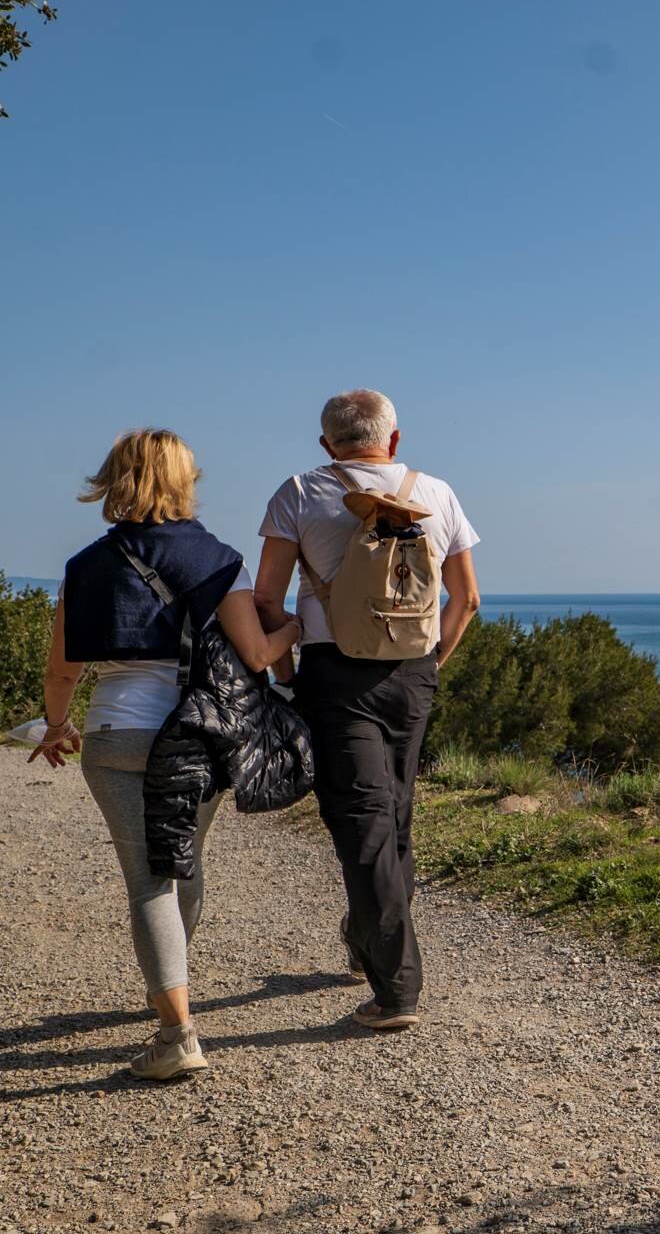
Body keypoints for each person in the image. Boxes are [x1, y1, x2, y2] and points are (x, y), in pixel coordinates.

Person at [35, 429, 302, 1080]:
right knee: (182, 865)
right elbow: (262, 656)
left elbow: (62, 672)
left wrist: (56, 726)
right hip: (199, 735)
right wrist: (300, 623)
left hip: (115, 735)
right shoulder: (217, 561)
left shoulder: (84, 567)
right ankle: (171, 998)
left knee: (147, 882)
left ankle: (176, 1026)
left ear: (114, 480)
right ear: (185, 480)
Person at [254, 390, 480, 1031]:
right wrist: (431, 667)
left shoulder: (299, 492)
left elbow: (269, 598)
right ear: (395, 440)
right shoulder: (436, 492)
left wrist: (289, 674)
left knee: (363, 823)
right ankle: (365, 935)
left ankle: (396, 990)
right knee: (394, 815)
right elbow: (467, 600)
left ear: (327, 444)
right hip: (413, 673)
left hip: (334, 672)